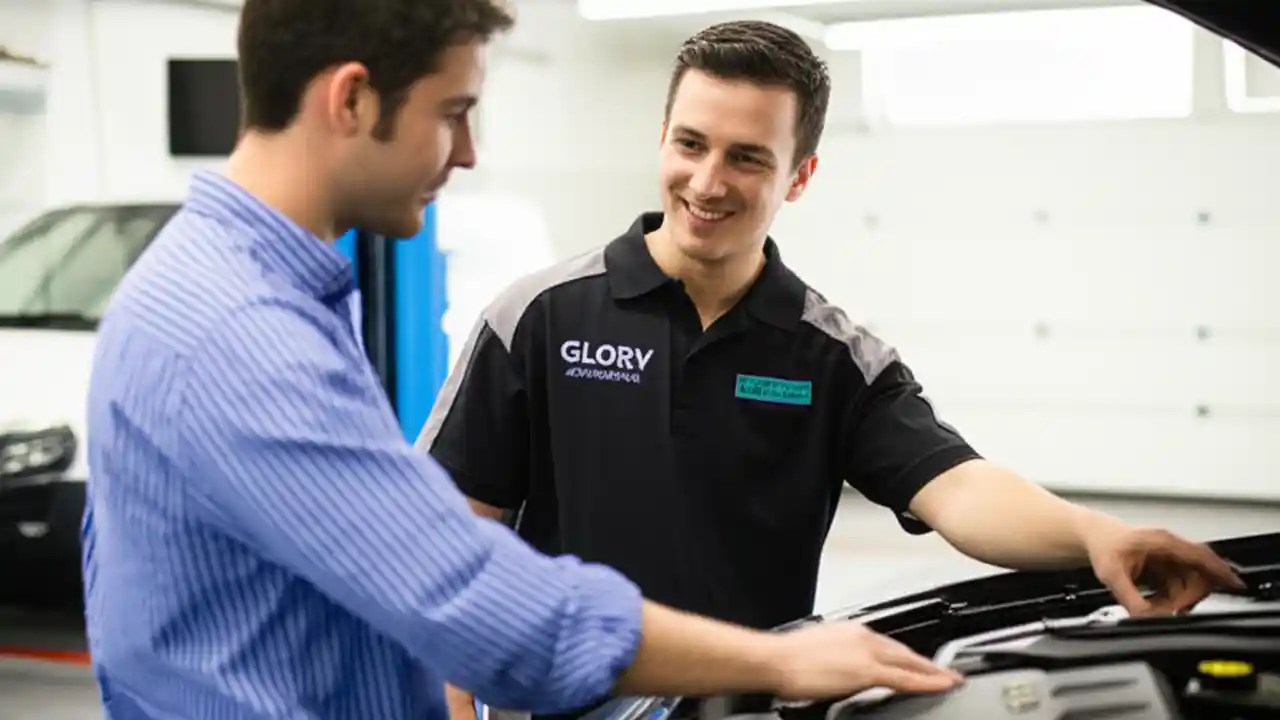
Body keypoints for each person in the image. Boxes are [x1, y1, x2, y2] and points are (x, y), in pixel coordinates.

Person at [79, 3, 968, 719]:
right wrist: (780, 660)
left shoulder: (213, 286)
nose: (468, 153)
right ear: (351, 100)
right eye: (453, 114)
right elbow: (475, 601)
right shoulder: (242, 331)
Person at [419, 18, 1247, 720]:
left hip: (750, 706)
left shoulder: (831, 356)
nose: (707, 182)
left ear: (800, 176)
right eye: (691, 144)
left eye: (747, 158)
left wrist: (1097, 536)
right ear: (661, 136)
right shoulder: (540, 317)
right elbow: (448, 543)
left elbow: (959, 488)